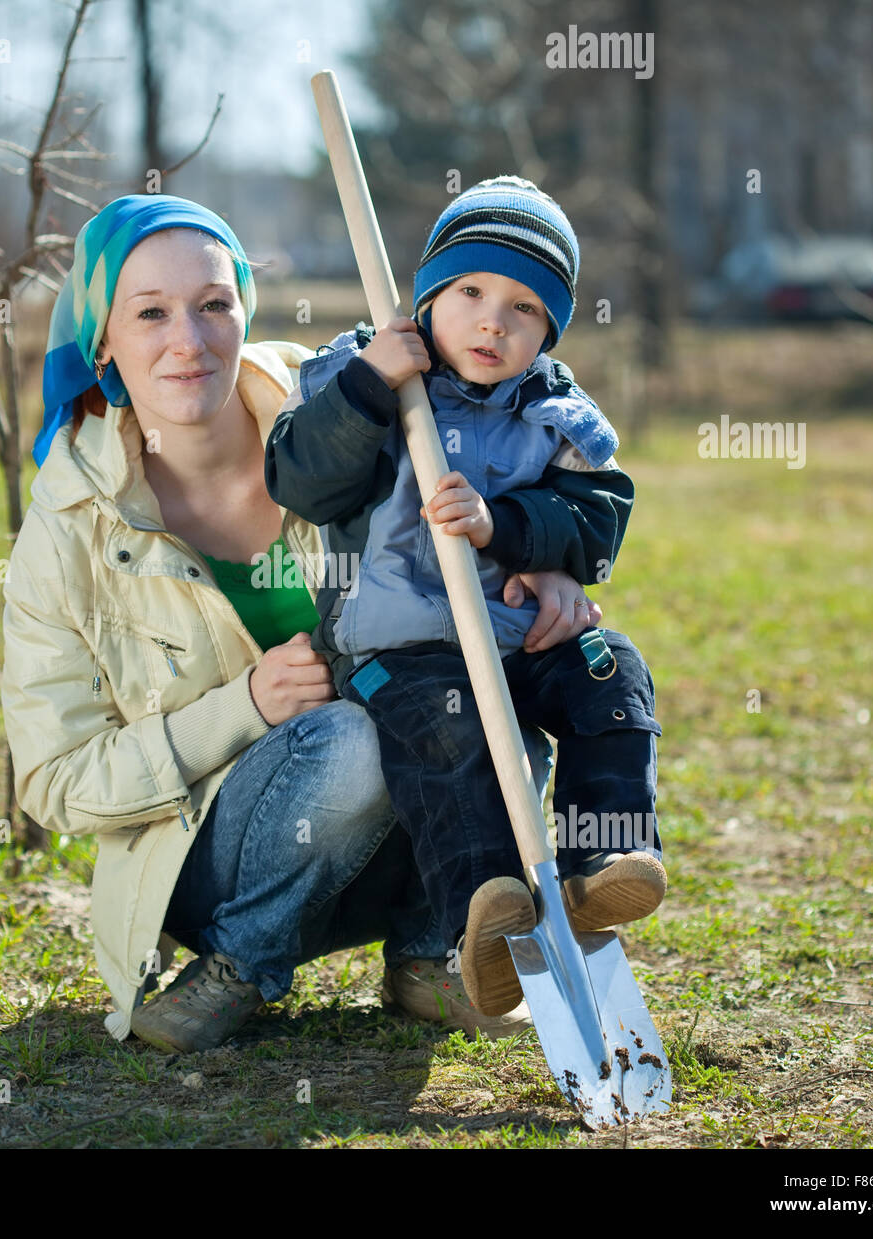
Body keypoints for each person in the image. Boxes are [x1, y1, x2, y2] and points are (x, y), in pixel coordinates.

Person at [1, 192, 609, 1054]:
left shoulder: (346, 400)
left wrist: (540, 564)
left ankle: (431, 949)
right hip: (210, 861)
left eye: (215, 304)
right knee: (350, 739)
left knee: (494, 710)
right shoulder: (70, 530)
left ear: (244, 308)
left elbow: (495, 457)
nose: (191, 340)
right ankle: (237, 965)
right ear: (103, 338)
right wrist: (245, 704)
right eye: (151, 313)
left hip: (390, 821)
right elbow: (53, 781)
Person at [264, 176, 667, 1019]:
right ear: (429, 296)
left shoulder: (555, 411)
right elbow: (301, 482)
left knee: (611, 667)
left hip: (519, 637)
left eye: (525, 308)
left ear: (549, 330)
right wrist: (370, 388)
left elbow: (599, 515)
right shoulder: (365, 377)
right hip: (397, 650)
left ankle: (604, 859)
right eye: (472, 292)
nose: (493, 321)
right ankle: (482, 919)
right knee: (450, 733)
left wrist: (513, 527)